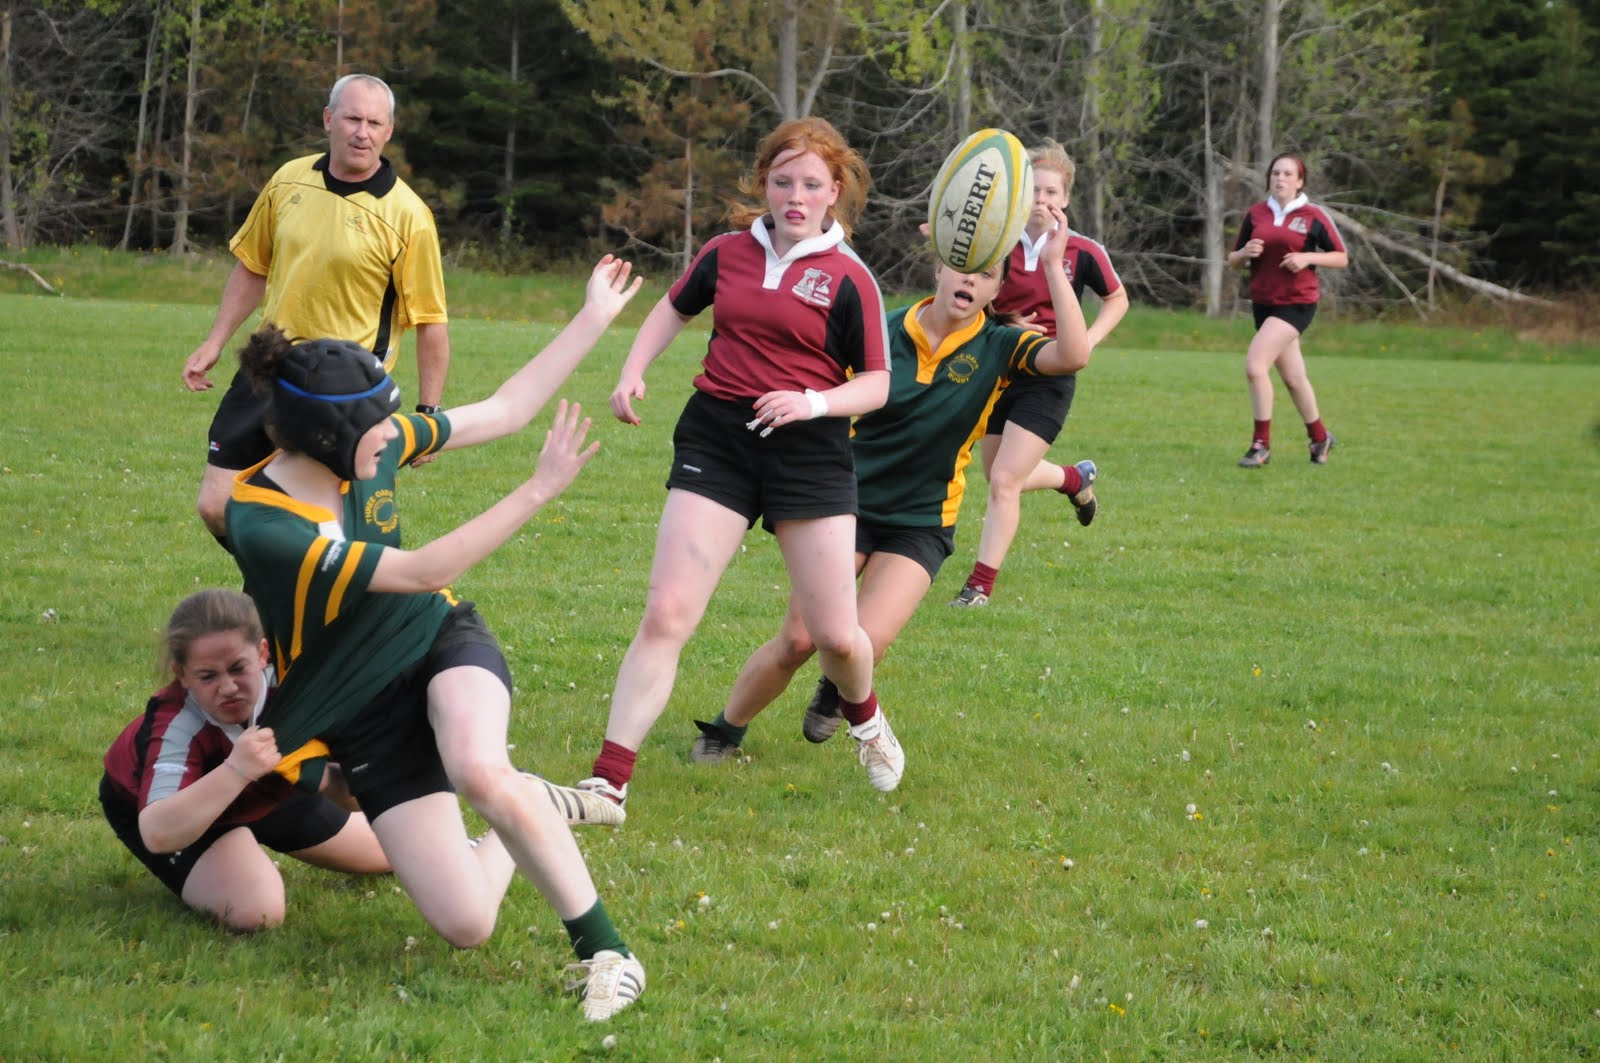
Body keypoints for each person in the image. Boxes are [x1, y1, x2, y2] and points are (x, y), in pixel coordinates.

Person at [224, 253, 647, 1021]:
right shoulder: (264, 520)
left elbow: (508, 408)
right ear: (327, 436)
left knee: (481, 772)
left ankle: (608, 953)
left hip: (437, 642)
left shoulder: (367, 445)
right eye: (379, 422)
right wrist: (537, 488)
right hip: (356, 705)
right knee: (466, 922)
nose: (395, 433)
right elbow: (417, 566)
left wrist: (593, 316)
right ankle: (536, 805)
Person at [687, 203, 1092, 758]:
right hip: (842, 505)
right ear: (938, 269)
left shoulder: (1001, 347)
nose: (969, 281)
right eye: (961, 267)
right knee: (800, 639)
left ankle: (838, 685)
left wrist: (1052, 266)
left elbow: (1074, 354)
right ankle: (726, 730)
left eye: (986, 275)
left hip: (921, 521)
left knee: (865, 643)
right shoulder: (882, 327)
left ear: (997, 289)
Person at [576, 116, 895, 811]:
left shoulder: (850, 277)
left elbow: (877, 383)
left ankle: (865, 715)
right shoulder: (727, 252)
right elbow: (672, 309)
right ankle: (609, 781)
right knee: (666, 612)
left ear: (834, 190)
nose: (795, 195)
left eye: (811, 183)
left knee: (837, 635)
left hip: (809, 451)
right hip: (718, 436)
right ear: (765, 183)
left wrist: (811, 403)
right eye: (782, 181)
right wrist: (632, 369)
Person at [183, 73, 451, 538]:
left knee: (319, 523)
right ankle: (277, 589)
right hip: (270, 367)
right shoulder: (289, 180)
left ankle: (300, 600)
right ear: (329, 119)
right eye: (352, 118)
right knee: (216, 503)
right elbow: (253, 267)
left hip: (344, 390)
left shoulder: (409, 216)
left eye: (374, 122)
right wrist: (214, 340)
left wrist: (429, 413)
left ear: (389, 132)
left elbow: (430, 321)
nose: (361, 132)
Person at [101, 589, 392, 931]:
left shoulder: (298, 688)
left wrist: (323, 778)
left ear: (262, 653)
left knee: (401, 851)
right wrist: (237, 770)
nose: (228, 687)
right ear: (181, 674)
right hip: (181, 812)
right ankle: (235, 855)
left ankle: (472, 852)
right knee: (258, 911)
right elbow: (157, 832)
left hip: (267, 786)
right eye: (208, 676)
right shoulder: (175, 721)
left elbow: (364, 790)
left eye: (238, 668)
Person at [951, 140, 1127, 608]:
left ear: (1065, 200)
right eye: (1035, 191)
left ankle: (979, 587)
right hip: (998, 372)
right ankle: (1073, 479)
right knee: (998, 475)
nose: (1044, 201)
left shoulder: (1081, 250)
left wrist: (1085, 341)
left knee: (1006, 480)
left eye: (1053, 192)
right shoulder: (998, 244)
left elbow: (1118, 299)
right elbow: (974, 301)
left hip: (1049, 375)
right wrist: (1004, 323)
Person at [1226, 152, 1348, 467]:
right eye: (1275, 173)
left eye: (1287, 174)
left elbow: (1340, 256)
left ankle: (1260, 445)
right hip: (1264, 303)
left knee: (1255, 366)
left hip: (1297, 302)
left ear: (1300, 181)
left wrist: (1309, 258)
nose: (1279, 179)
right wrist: (1244, 252)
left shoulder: (1312, 215)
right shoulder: (1256, 214)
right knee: (1294, 378)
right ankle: (1320, 437)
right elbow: (1234, 261)